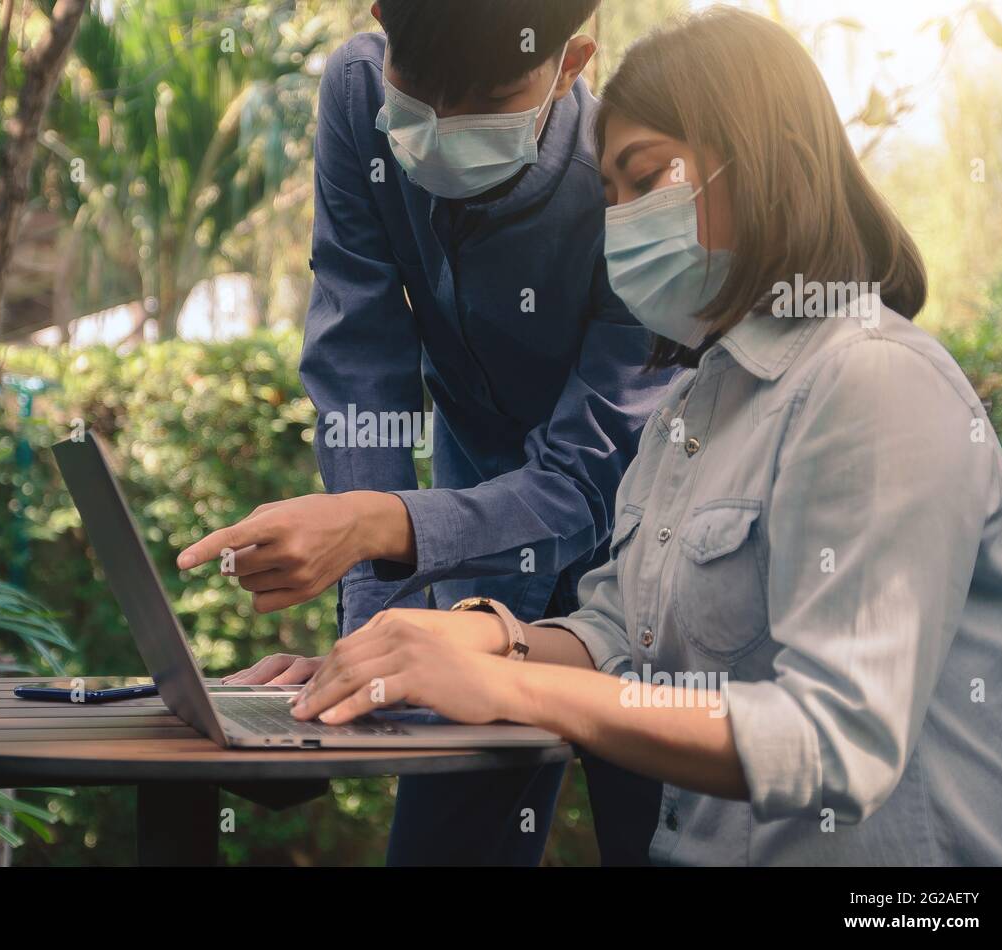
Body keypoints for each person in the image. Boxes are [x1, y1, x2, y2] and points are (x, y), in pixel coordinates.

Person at [288, 6, 1002, 865]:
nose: (619, 226)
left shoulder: (875, 382)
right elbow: (615, 638)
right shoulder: (690, 414)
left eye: (646, 181)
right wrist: (434, 642)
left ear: (768, 163)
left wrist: (506, 681)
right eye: (607, 195)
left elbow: (836, 741)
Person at [177, 0, 673, 865]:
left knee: (664, 836)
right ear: (380, 18)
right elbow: (359, 362)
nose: (442, 126)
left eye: (485, 97)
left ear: (573, 61)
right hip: (456, 561)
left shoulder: (627, 184)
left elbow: (587, 478)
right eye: (424, 89)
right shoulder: (357, 93)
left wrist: (380, 525)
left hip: (641, 566)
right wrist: (372, 631)